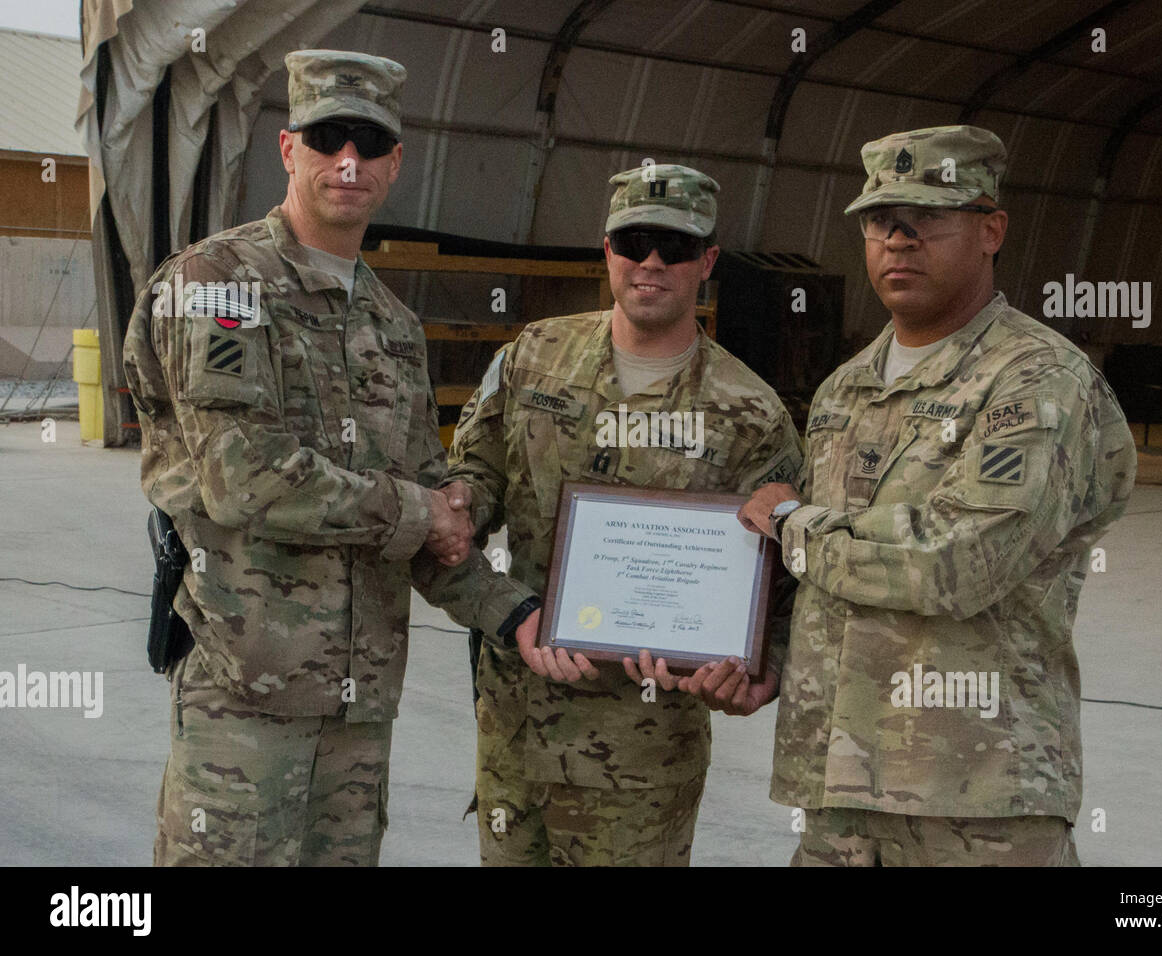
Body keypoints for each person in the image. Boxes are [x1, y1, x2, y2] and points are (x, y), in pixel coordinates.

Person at [122, 50, 539, 866]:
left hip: (358, 717)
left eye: (368, 142)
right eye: (326, 137)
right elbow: (245, 478)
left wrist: (514, 613)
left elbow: (424, 516)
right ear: (289, 148)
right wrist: (422, 512)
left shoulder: (393, 327)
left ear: (394, 164)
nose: (347, 160)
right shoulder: (218, 286)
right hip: (247, 707)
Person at [717, 125, 1137, 865]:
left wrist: (791, 522)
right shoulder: (846, 387)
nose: (899, 241)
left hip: (977, 803)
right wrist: (766, 653)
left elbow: (959, 561)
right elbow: (829, 584)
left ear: (991, 230)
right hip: (839, 793)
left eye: (926, 219)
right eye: (881, 222)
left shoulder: (1038, 381)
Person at [442, 164, 803, 866]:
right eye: (634, 242)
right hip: (514, 731)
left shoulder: (751, 414)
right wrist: (503, 604)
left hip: (644, 759)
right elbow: (470, 486)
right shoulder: (531, 360)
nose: (652, 263)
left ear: (708, 261)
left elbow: (787, 586)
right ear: (607, 249)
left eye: (675, 246)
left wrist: (763, 671)